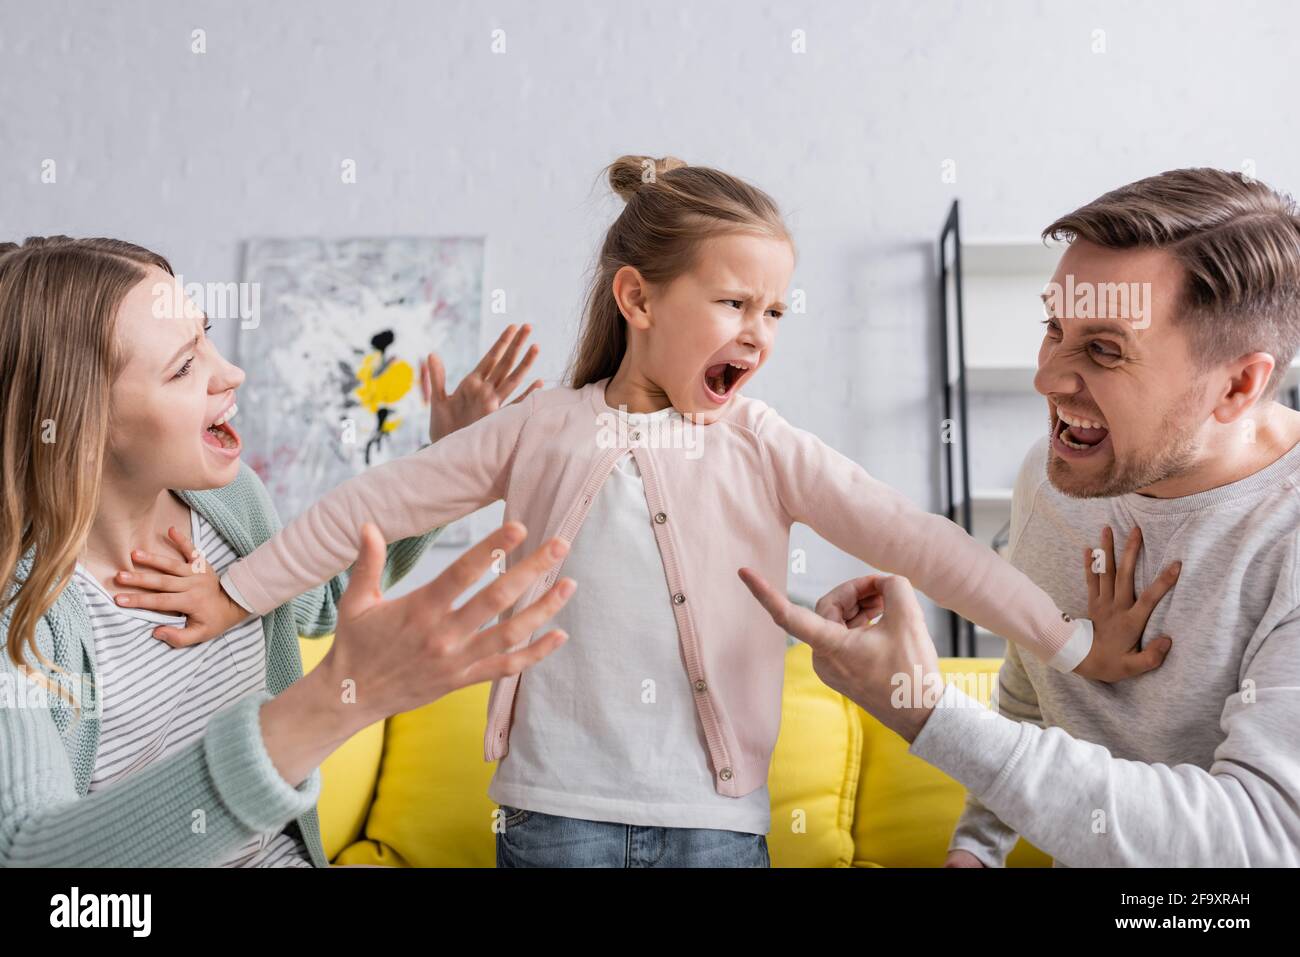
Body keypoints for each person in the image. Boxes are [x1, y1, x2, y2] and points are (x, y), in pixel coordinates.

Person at [139, 156, 1172, 869]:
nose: (758, 332)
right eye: (733, 304)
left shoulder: (767, 448)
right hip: (553, 817)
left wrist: (1071, 642)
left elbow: (929, 548)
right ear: (637, 300)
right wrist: (236, 590)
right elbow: (362, 508)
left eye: (772, 311)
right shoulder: (537, 429)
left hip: (717, 824)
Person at [741, 168, 1300, 867]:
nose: (1047, 377)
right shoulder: (1056, 474)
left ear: (1239, 384)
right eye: (1053, 328)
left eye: (1104, 349)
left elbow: (1264, 842)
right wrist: (977, 848)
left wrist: (927, 711)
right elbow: (1036, 693)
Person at [0, 235, 573, 866]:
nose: (231, 372)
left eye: (206, 335)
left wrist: (442, 465)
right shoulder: (21, 616)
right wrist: (332, 700)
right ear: (78, 421)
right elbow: (35, 863)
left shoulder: (227, 504)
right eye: (184, 366)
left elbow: (318, 602)